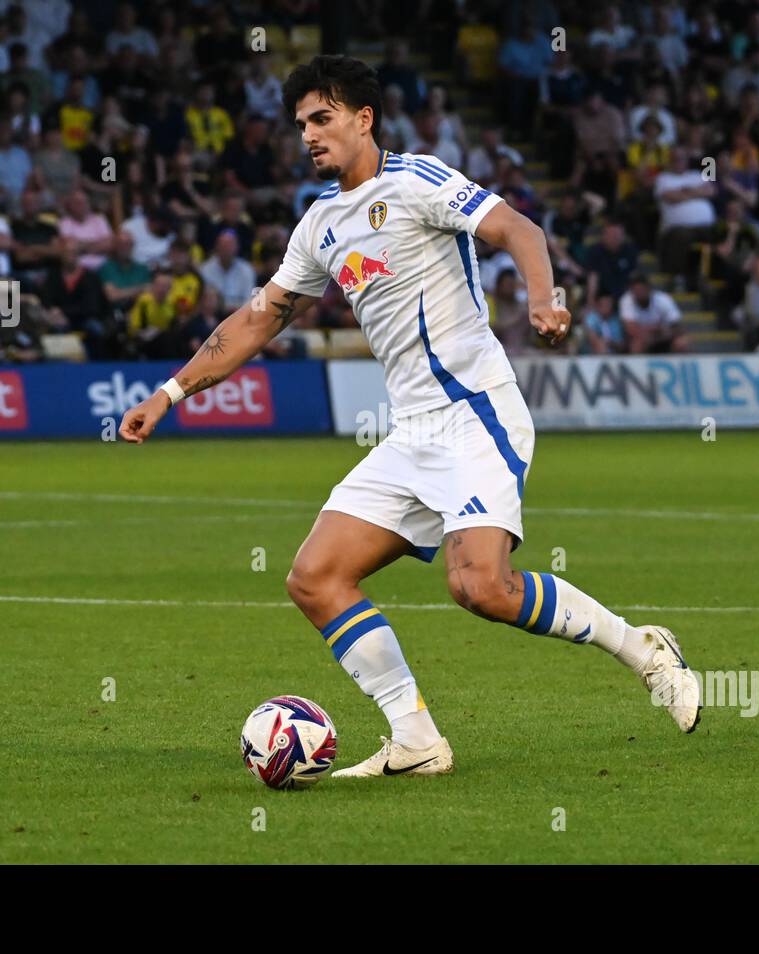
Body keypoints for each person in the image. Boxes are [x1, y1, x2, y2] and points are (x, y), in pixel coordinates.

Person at [119, 55, 701, 780]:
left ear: (364, 119)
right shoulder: (321, 223)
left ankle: (643, 649)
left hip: (475, 414)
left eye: (322, 118)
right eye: (301, 123)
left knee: (480, 587)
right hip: (413, 430)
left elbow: (517, 229)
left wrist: (544, 300)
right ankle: (416, 738)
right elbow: (258, 318)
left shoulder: (419, 181)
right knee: (315, 577)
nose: (309, 135)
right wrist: (169, 393)